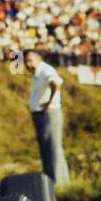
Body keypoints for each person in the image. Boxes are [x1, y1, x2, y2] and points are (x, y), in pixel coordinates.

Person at [24, 48, 69, 184]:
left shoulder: (46, 70)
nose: (28, 64)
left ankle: (58, 182)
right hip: (40, 114)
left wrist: (49, 102)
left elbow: (56, 83)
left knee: (53, 148)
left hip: (48, 114)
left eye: (30, 60)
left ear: (38, 58)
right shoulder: (38, 74)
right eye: (26, 61)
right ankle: (51, 181)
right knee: (47, 150)